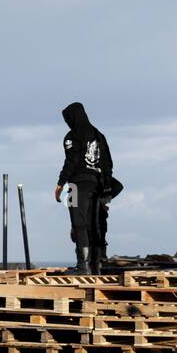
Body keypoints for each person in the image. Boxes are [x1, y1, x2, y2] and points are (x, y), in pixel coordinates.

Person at [54, 102, 113, 273]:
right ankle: (97, 264)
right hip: (98, 186)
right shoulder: (100, 136)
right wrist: (107, 189)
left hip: (75, 185)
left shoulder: (71, 136)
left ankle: (83, 266)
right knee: (96, 224)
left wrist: (60, 183)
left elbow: (71, 161)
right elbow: (108, 164)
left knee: (78, 223)